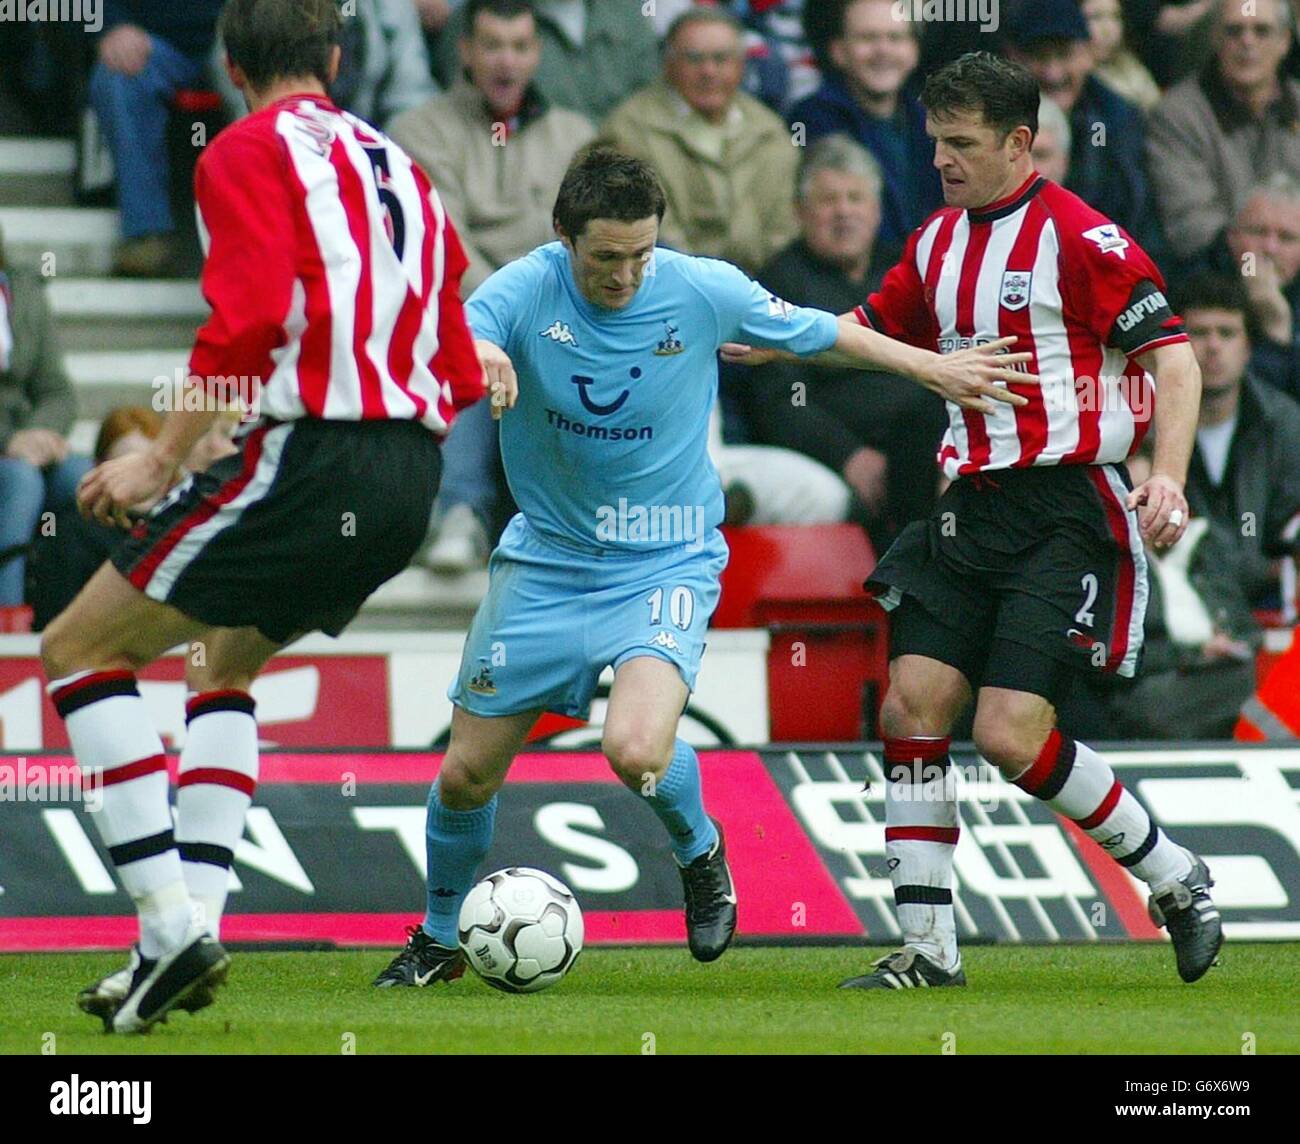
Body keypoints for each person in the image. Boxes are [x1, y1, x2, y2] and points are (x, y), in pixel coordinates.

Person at [371, 143, 1035, 988]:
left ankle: (700, 851)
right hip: (546, 560)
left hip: (666, 557)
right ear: (565, 239)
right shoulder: (525, 287)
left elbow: (822, 333)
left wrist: (932, 366)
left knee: (637, 749)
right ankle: (436, 937)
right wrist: (485, 355)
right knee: (465, 774)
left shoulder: (701, 288)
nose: (625, 275)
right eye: (606, 258)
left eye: (641, 254)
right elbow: (462, 328)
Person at [731, 52, 1220, 990]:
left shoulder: (1085, 239)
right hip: (970, 508)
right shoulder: (938, 241)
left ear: (1018, 142)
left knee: (1007, 733)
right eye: (935, 142)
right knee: (911, 706)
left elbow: (1178, 362)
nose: (943, 160)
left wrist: (1167, 477)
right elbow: (873, 326)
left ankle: (1177, 876)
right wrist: (772, 337)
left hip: (1068, 506)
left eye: (961, 144)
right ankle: (928, 949)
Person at [45, 0, 484, 1035]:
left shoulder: (243, 151)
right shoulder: (403, 165)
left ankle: (162, 924)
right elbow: (459, 359)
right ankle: (190, 926)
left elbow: (242, 324)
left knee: (79, 646)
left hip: (315, 453)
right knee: (220, 665)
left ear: (229, 63)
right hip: (408, 475)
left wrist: (159, 452)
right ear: (335, 57)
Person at [390, 0, 596, 571]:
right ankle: (462, 513)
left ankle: (591, 520)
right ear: (465, 52)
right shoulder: (418, 131)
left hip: (564, 308)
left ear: (537, 54)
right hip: (462, 308)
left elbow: (590, 237)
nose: (506, 62)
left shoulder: (576, 136)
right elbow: (440, 245)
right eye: (492, 46)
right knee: (473, 338)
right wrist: (512, 314)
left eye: (520, 46)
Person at [741, 134, 946, 549]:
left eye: (856, 198)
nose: (844, 213)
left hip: (931, 434)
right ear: (799, 212)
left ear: (876, 210)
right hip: (857, 445)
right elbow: (778, 400)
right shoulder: (777, 284)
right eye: (829, 200)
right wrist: (848, 456)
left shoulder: (908, 271)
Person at [600, 7, 799, 275]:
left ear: (741, 65)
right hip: (671, 289)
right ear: (668, 63)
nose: (708, 71)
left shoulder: (771, 131)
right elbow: (650, 236)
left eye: (721, 58)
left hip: (762, 290)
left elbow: (785, 230)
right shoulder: (627, 130)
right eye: (694, 59)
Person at [1176, 272, 1300, 609]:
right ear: (1175, 347)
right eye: (1199, 333)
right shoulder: (1145, 428)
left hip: (1270, 610)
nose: (1213, 346)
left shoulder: (1284, 424)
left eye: (1227, 333)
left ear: (1247, 348)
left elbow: (1289, 526)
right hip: (1178, 611)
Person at [1003, 0, 1161, 261]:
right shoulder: (991, 120)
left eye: (1064, 54)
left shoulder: (1116, 122)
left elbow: (1139, 217)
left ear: (1088, 54)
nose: (1053, 74)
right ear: (1013, 58)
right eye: (1039, 56)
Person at [1147, 0, 1300, 268]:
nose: (1247, 42)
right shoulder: (1177, 116)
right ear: (1215, 37)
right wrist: (1257, 264)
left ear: (1285, 41)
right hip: (1216, 275)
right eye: (1234, 31)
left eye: (1261, 31)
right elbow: (1190, 225)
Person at [786, 0, 942, 258]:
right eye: (868, 38)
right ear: (838, 51)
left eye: (895, 38)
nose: (883, 50)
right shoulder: (810, 120)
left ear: (914, 50)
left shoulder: (933, 121)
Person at [89, 0, 227, 277]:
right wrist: (111, 24)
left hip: (245, 33)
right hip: (155, 43)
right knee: (119, 76)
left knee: (269, 66)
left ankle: (272, 232)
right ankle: (147, 234)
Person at [0, 226, 91, 608]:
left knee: (85, 479)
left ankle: (74, 618)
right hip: (10, 450)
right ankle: (8, 622)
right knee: (22, 484)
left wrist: (41, 433)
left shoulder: (24, 291)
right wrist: (9, 442)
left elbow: (57, 390)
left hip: (24, 443)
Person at [432, 0, 659, 124]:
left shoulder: (629, 12)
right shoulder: (479, 14)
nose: (507, 61)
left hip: (622, 162)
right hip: (522, 159)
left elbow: (652, 100)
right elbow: (473, 106)